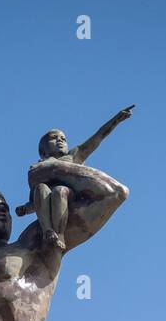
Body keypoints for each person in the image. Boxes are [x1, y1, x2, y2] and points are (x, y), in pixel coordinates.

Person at [14, 105, 135, 250]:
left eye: (63, 139)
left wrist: (115, 120)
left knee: (60, 190)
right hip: (46, 205)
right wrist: (25, 209)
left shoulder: (71, 156)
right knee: (41, 188)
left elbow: (97, 138)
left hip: (68, 197)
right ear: (42, 150)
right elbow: (36, 201)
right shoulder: (37, 168)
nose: (60, 140)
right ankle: (48, 231)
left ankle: (59, 235)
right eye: (54, 138)